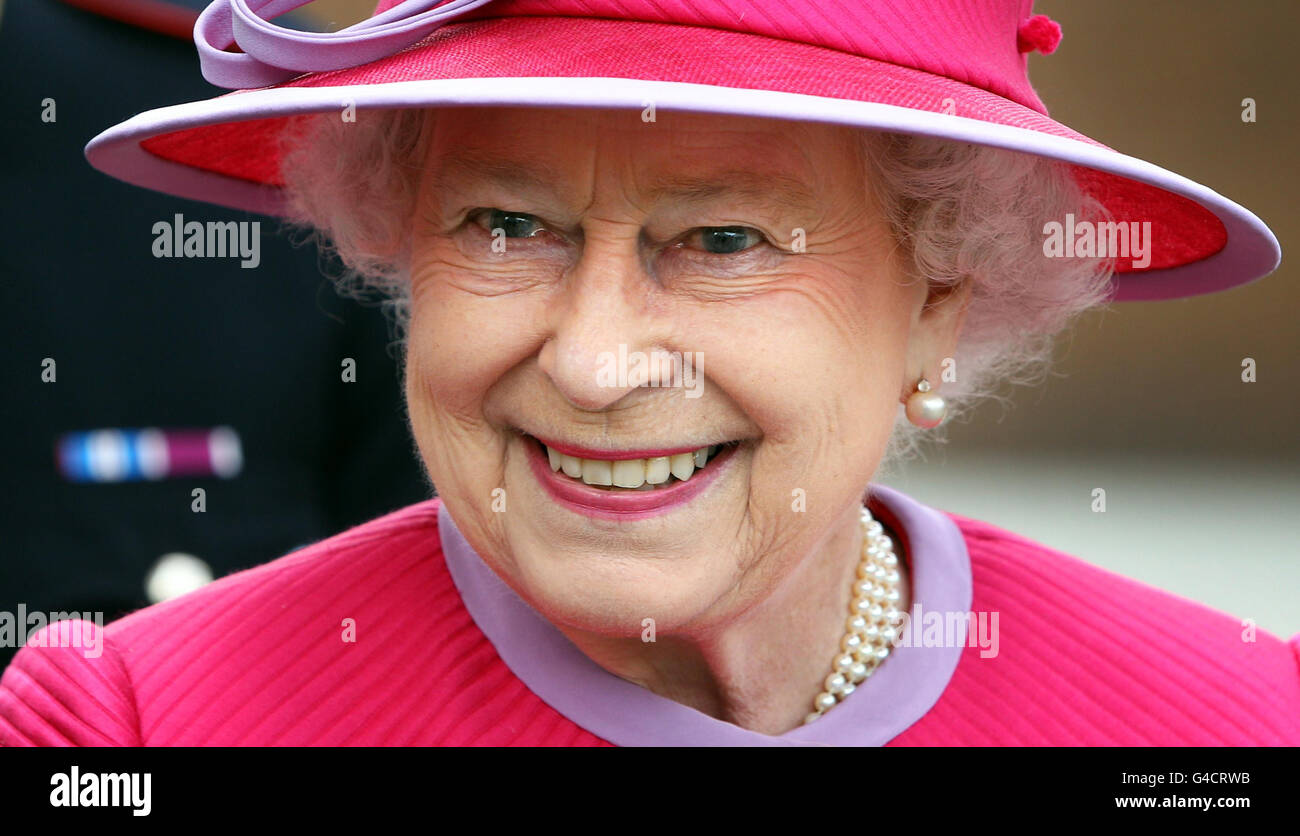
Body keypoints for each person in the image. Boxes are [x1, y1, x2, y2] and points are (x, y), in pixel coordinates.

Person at [1, 0, 1296, 746]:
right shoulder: (142, 723)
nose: (594, 360)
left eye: (723, 241)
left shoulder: (1233, 723)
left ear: (935, 308)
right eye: (507, 227)